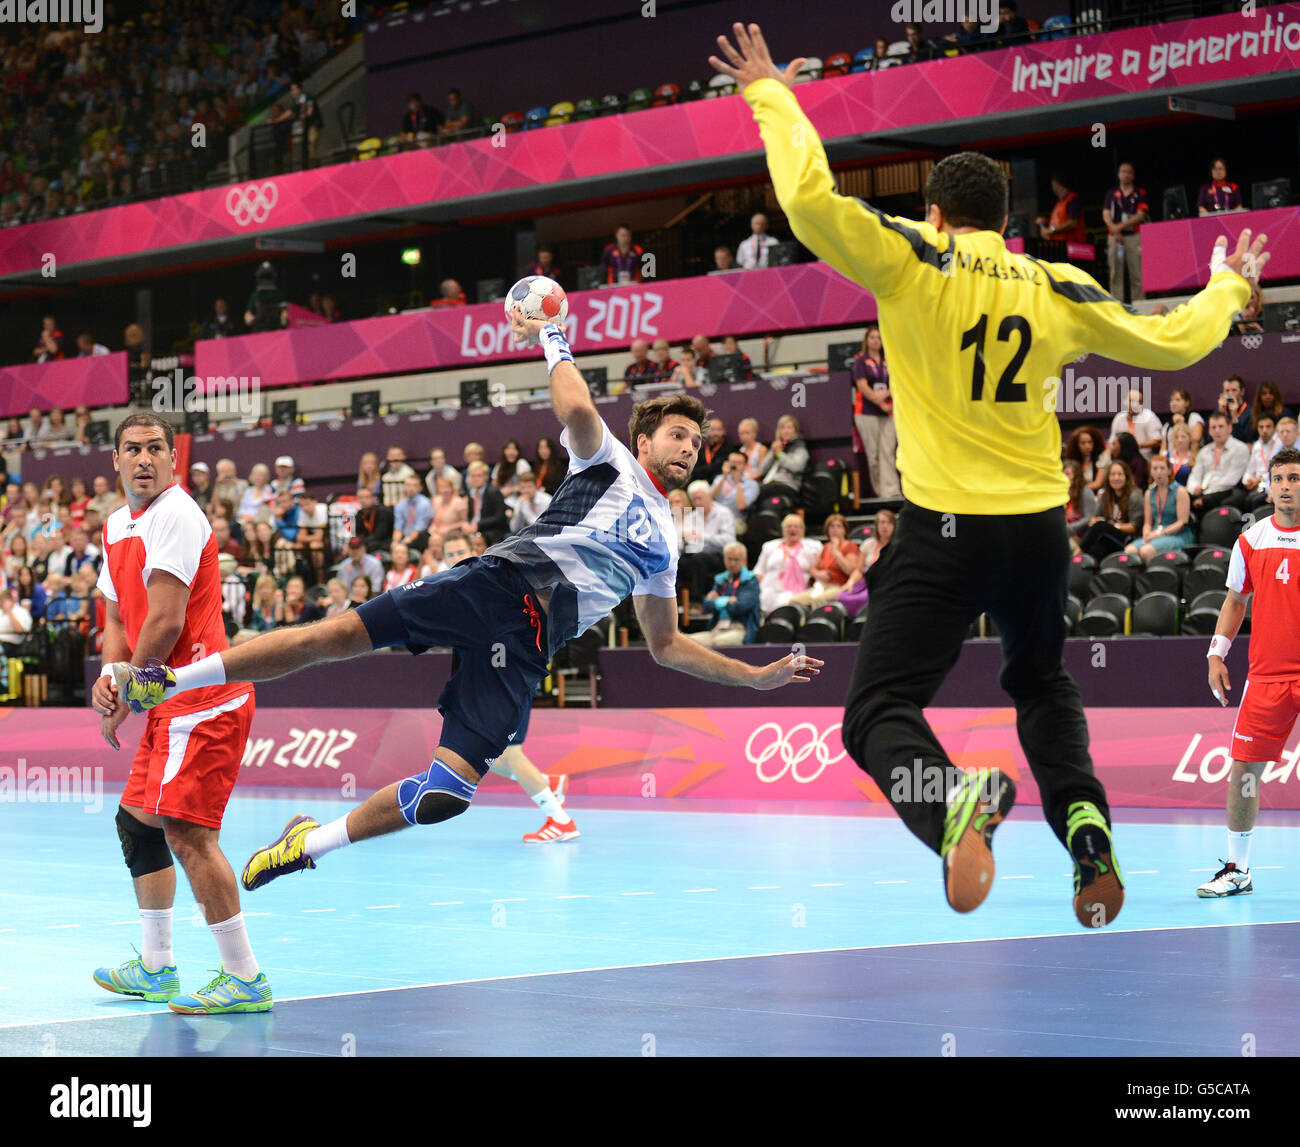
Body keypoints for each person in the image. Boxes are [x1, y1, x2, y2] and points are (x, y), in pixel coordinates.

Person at [712, 19, 1268, 926]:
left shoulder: (912, 259)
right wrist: (1230, 289)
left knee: (879, 708)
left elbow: (810, 204)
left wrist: (771, 93)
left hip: (942, 530)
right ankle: (1086, 832)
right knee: (1043, 684)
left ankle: (949, 800)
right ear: (1008, 223)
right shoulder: (1055, 286)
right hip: (1040, 532)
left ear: (936, 213)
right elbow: (1172, 345)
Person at [113, 313, 819, 920]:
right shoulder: (607, 461)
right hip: (493, 585)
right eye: (675, 434)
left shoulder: (667, 542)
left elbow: (666, 645)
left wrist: (756, 678)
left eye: (696, 441)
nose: (689, 447)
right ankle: (170, 683)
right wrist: (552, 334)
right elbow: (574, 408)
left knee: (446, 794)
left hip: (531, 642)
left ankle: (309, 843)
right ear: (646, 438)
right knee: (336, 638)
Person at [89, 414, 267, 1015]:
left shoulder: (177, 514)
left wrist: (129, 688)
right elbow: (117, 618)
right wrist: (112, 685)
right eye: (132, 449)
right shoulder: (116, 526)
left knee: (189, 834)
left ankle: (244, 977)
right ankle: (158, 968)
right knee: (138, 825)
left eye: (156, 449)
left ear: (173, 458)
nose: (144, 459)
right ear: (115, 460)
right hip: (166, 701)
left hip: (204, 700)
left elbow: (164, 623)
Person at [1202, 448, 1300, 897]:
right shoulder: (1252, 540)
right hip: (1266, 677)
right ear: (1268, 485)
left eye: (1295, 478)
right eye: (1279, 478)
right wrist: (1216, 653)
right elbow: (1236, 601)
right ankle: (1238, 870)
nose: (1286, 486)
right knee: (1243, 770)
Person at [852, 325, 899, 498]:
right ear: (867, 340)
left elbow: (897, 381)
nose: (875, 341)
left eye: (879, 337)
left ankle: (891, 490)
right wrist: (879, 402)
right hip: (866, 413)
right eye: (872, 337)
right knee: (873, 455)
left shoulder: (889, 359)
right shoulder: (861, 361)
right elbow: (862, 386)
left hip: (889, 412)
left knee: (887, 451)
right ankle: (880, 490)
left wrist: (886, 398)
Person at [689, 542, 760, 647]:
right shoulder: (720, 580)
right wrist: (727, 600)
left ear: (744, 561)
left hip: (739, 628)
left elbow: (741, 607)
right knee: (688, 641)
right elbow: (706, 605)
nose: (732, 563)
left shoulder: (751, 580)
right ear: (724, 560)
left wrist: (718, 600)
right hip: (717, 628)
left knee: (720, 643)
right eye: (729, 559)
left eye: (736, 559)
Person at [1126, 454, 1192, 562]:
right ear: (1151, 472)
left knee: (1146, 551)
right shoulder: (1149, 493)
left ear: (1169, 471)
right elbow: (1147, 523)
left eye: (1162, 468)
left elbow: (1182, 522)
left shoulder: (1180, 491)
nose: (1158, 472)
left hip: (1176, 535)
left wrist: (1160, 534)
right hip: (1155, 533)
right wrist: (1146, 532)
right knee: (1130, 550)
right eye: (1155, 469)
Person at [753, 513, 821, 615]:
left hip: (799, 591)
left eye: (796, 527)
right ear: (783, 530)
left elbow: (820, 569)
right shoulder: (769, 547)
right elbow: (759, 571)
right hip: (770, 590)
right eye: (789, 526)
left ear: (803, 530)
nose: (792, 529)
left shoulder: (812, 547)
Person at [1187, 411, 1249, 516]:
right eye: (1213, 427)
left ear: (1230, 428)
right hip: (1204, 490)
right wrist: (1194, 487)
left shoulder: (1240, 448)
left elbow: (1230, 480)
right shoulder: (1204, 451)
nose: (1217, 431)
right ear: (1209, 431)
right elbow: (1195, 475)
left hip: (1227, 490)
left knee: (1211, 500)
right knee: (1182, 495)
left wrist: (1206, 492)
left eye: (1221, 426)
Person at [1103, 163, 1148, 303]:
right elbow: (1106, 214)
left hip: (1134, 237)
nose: (1126, 175)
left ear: (1133, 176)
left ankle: (1140, 305)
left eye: (1129, 172)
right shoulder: (1111, 193)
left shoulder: (1140, 193)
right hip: (1115, 238)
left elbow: (1141, 215)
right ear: (1118, 174)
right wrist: (1114, 229)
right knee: (1116, 274)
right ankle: (1118, 306)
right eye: (1123, 172)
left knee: (1137, 274)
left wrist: (1119, 226)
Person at [1080, 460, 1142, 560]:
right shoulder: (1105, 496)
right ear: (1108, 478)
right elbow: (1094, 519)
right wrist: (1095, 521)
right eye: (1112, 474)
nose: (1116, 478)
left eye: (1120, 474)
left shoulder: (1135, 496)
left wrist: (1110, 525)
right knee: (1097, 548)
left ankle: (1077, 555)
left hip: (1129, 539)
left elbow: (1133, 527)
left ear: (1126, 477)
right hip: (1110, 536)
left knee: (1101, 527)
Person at [1037, 172, 1085, 244]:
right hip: (1059, 244)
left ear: (1057, 184)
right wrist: (1046, 221)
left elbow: (1072, 223)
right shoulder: (1060, 203)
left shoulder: (1072, 200)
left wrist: (1051, 230)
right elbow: (1059, 221)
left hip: (1072, 245)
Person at [1163, 388, 1204, 453]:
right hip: (1173, 460)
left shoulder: (1194, 417)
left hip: (1191, 458)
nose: (1173, 403)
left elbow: (1196, 439)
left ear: (1187, 403)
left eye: (1178, 400)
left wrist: (1182, 424)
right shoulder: (1167, 425)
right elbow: (1164, 448)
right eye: (1171, 400)